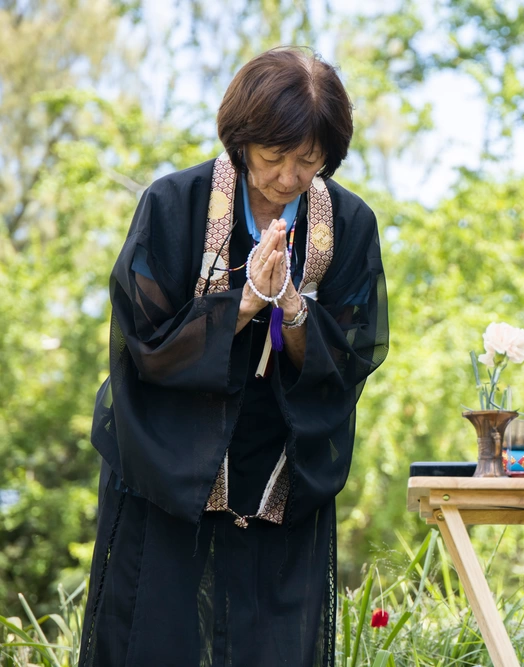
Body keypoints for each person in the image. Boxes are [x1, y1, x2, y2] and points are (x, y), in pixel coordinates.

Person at [79, 47, 388, 667]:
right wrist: (243, 304)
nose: (289, 177)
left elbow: (353, 353)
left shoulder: (348, 223)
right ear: (242, 138)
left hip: (280, 466)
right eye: (274, 157)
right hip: (172, 465)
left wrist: (294, 309)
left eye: (310, 160)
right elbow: (141, 342)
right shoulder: (175, 204)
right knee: (156, 639)